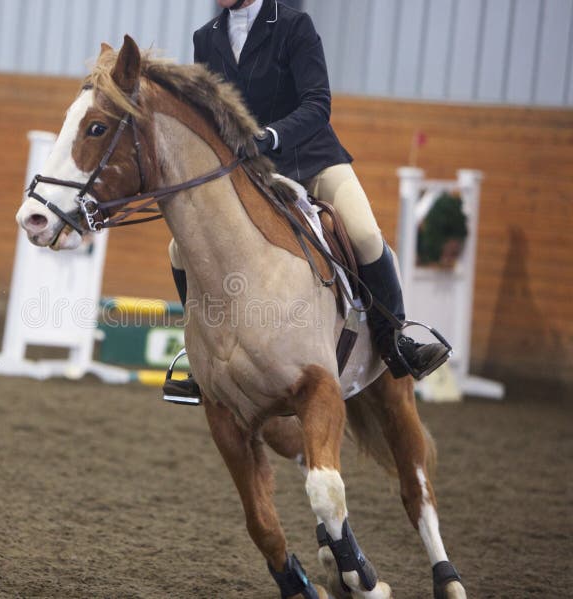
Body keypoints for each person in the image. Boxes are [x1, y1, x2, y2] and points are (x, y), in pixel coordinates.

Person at [163, 0, 450, 403]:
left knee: (365, 235)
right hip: (254, 172)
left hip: (312, 159)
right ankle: (202, 354)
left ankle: (396, 341)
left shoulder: (294, 26)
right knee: (179, 249)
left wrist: (271, 136)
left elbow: (317, 103)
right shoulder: (206, 38)